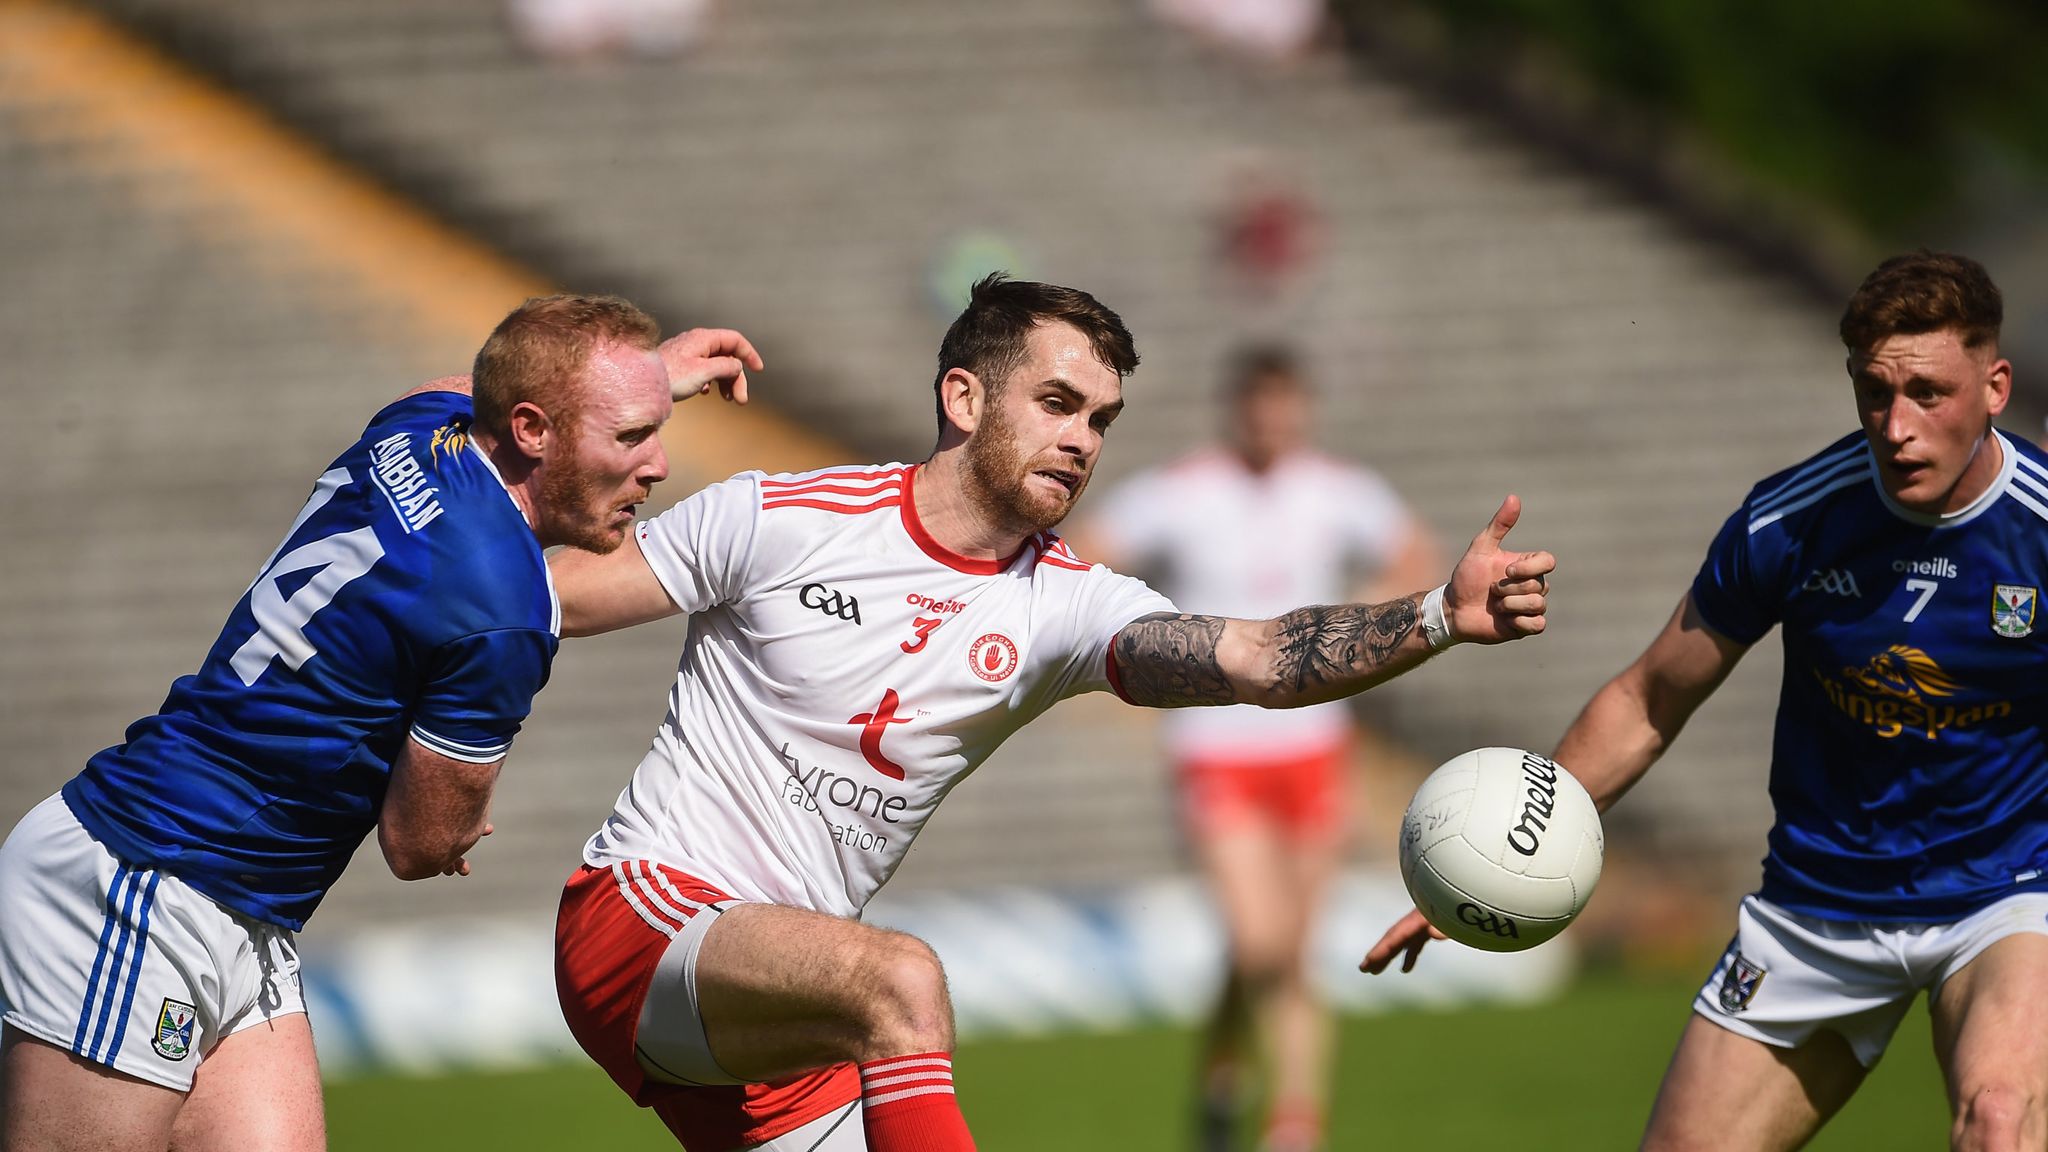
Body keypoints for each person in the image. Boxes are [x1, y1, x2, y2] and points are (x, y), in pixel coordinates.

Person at [549, 273, 1555, 1151]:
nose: (1081, 440)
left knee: (879, 993)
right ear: (962, 396)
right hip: (637, 919)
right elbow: (540, 599)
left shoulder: (1068, 604)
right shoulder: (780, 518)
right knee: (900, 984)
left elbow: (1257, 658)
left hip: (789, 1001)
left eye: (1100, 421)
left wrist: (1438, 615)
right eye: (1057, 403)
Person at [0, 293, 760, 1152]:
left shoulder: (418, 429)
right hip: (146, 878)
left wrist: (641, 380)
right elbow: (418, 844)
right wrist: (461, 817)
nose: (657, 466)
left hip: (243, 906)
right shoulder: (507, 608)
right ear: (534, 430)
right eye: (629, 436)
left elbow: (469, 384)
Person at [1365, 251, 2048, 1152]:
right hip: (1820, 902)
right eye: (1874, 393)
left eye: (1929, 392)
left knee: (1998, 1118)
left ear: (1994, 386)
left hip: (2004, 896)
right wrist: (1491, 859)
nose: (1897, 426)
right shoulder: (1791, 521)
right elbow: (1651, 698)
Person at [1078, 344, 1437, 1152]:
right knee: (1257, 940)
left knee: (1295, 950)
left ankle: (1279, 1115)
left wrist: (1356, 627)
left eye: (1285, 405)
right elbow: (1087, 551)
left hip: (1312, 746)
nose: (1271, 421)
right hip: (1217, 746)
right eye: (1259, 405)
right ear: (1237, 409)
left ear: (1300, 409)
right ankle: (1251, 1091)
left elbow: (1414, 556)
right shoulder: (1184, 491)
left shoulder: (1336, 489)